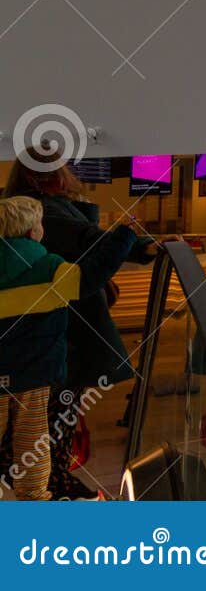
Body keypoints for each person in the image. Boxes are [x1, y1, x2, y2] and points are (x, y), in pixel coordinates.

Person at [1, 159, 154, 498]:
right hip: (55, 350)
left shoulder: (19, 227)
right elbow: (88, 269)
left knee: (30, 425)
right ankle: (47, 491)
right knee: (46, 425)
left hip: (15, 357)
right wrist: (131, 238)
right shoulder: (47, 246)